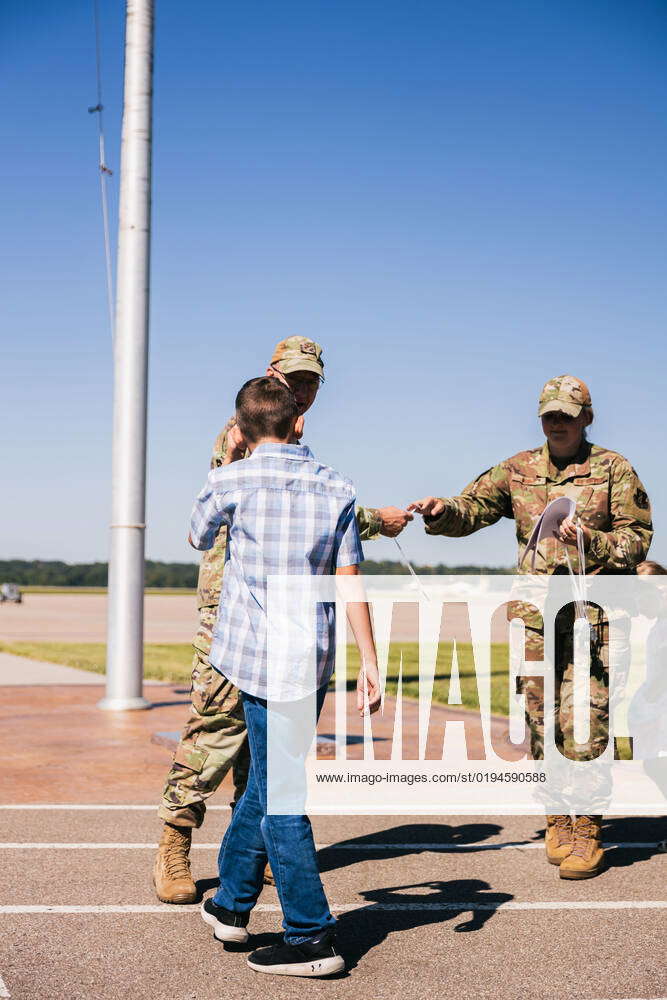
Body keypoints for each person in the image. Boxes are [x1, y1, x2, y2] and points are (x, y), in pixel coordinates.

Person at [154, 336, 410, 903]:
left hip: (291, 618)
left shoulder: (297, 443)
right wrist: (373, 518)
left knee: (264, 745)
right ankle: (176, 835)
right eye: (293, 377)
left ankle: (259, 847)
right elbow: (253, 505)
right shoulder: (245, 430)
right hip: (233, 611)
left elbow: (314, 520)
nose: (302, 387)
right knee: (215, 727)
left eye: (311, 380)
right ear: (272, 374)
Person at [408, 374, 653, 878]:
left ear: (587, 416)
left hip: (595, 616)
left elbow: (638, 538)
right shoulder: (518, 469)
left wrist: (593, 540)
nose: (557, 422)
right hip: (535, 619)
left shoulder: (613, 469)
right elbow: (473, 508)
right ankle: (557, 816)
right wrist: (440, 511)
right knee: (541, 720)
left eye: (567, 413)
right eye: (549, 414)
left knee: (587, 717)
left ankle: (587, 827)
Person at [190, 376, 381, 976]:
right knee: (272, 779)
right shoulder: (338, 487)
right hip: (311, 659)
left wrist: (229, 458)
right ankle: (230, 906)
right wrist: (369, 659)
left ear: (242, 429)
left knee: (280, 795)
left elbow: (196, 536)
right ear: (298, 422)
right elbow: (350, 579)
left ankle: (311, 937)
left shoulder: (229, 480)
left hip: (255, 657)